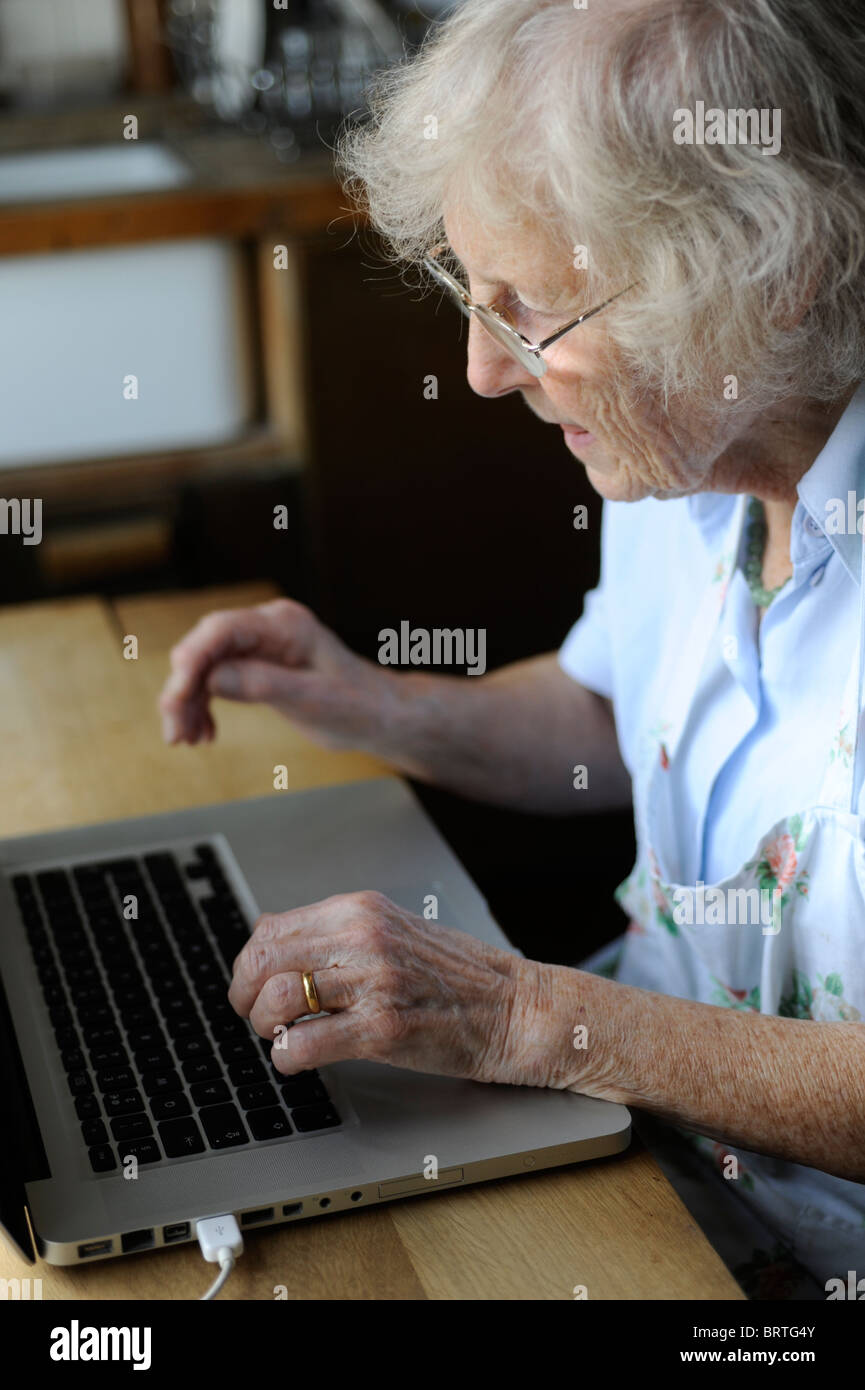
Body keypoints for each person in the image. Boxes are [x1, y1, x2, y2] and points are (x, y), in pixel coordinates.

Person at [159, 0, 865, 1299]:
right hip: (635, 1159)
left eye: (529, 309)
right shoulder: (694, 455)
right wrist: (374, 704)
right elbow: (610, 725)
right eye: (465, 287)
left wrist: (529, 1019)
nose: (482, 368)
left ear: (768, 282)